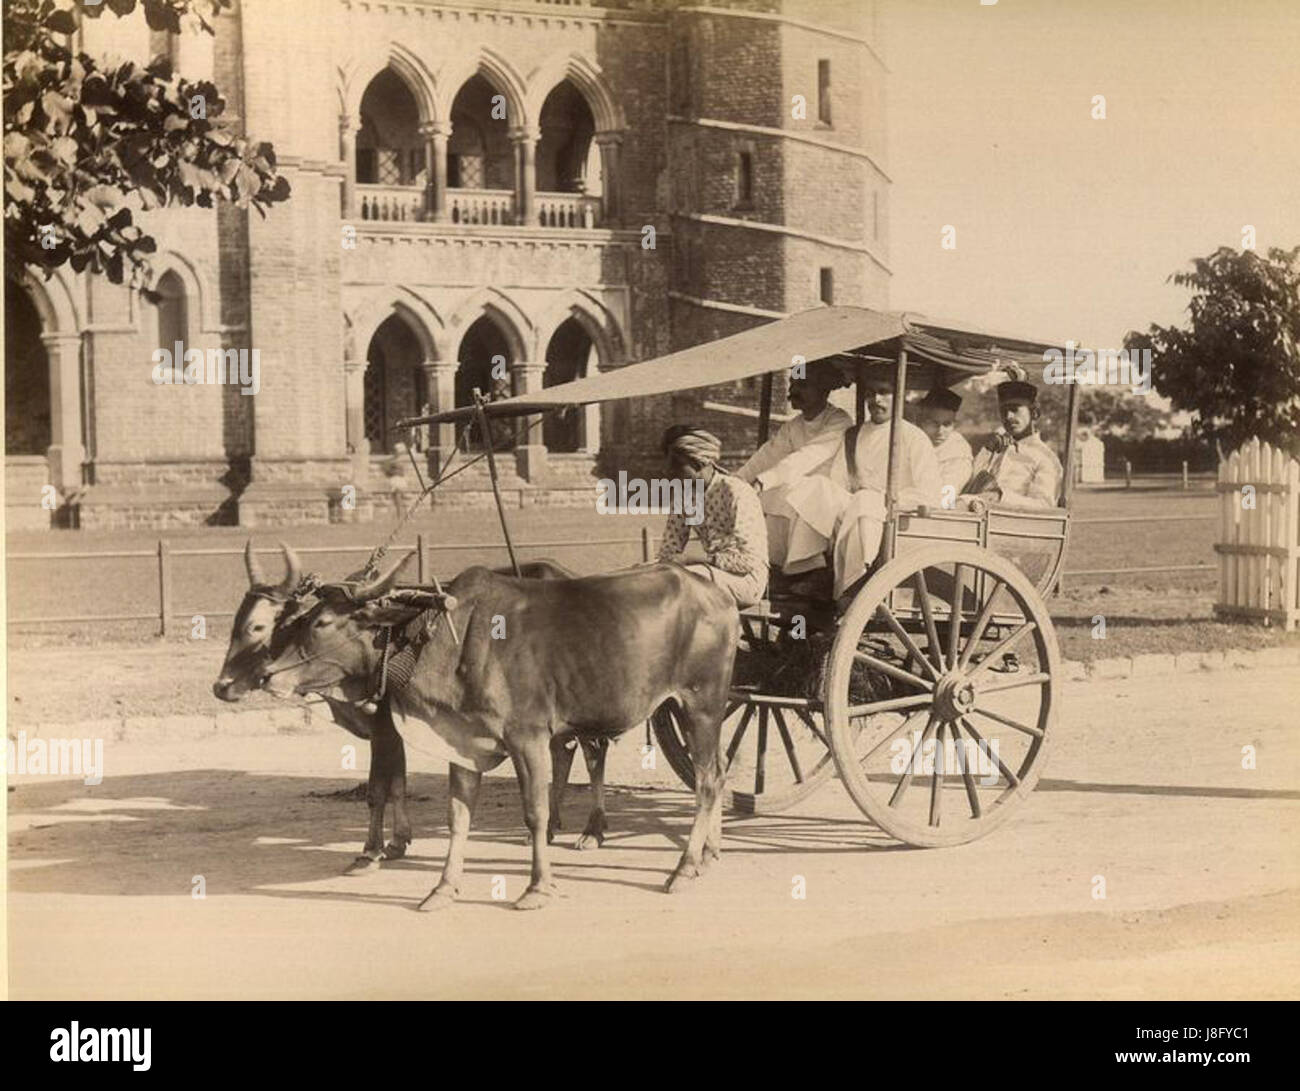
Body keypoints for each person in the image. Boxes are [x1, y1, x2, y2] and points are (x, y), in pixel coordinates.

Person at [767, 370, 942, 600]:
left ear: (899, 396)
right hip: (854, 507)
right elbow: (837, 481)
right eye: (871, 393)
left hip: (893, 515)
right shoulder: (853, 434)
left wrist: (884, 495)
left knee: (865, 500)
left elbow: (930, 493)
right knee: (814, 485)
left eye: (884, 392)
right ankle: (808, 569)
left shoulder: (913, 437)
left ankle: (856, 581)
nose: (876, 400)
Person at [735, 362, 852, 566]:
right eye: (792, 383)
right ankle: (773, 565)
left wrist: (764, 480)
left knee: (810, 488)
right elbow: (767, 455)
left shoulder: (839, 420)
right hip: (801, 490)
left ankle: (811, 569)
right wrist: (737, 481)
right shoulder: (793, 426)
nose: (794, 391)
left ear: (823, 390)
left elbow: (806, 457)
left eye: (803, 385)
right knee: (768, 496)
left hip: (833, 497)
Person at [656, 426, 768, 609]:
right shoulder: (684, 496)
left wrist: (695, 559)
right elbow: (669, 549)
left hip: (747, 581)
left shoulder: (736, 492)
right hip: (707, 574)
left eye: (676, 464)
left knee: (679, 583)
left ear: (699, 462)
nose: (668, 471)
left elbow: (749, 561)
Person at [959, 379, 1063, 512]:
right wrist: (985, 453)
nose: (1008, 416)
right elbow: (970, 485)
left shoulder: (1046, 459)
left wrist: (1000, 497)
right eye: (1003, 410)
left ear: (1034, 413)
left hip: (1012, 524)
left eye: (1015, 409)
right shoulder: (995, 449)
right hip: (974, 516)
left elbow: (1044, 506)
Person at [917, 386, 973, 500]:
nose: (940, 431)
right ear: (920, 421)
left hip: (935, 510)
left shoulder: (958, 453)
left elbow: (946, 497)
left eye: (947, 424)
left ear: (954, 424)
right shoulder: (914, 439)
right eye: (933, 423)